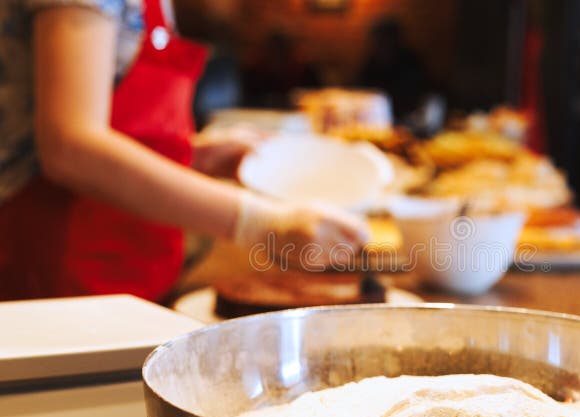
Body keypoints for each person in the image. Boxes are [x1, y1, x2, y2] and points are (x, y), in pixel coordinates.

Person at [0, 0, 368, 302]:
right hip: (59, 267)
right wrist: (260, 222)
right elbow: (69, 148)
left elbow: (72, 124)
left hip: (121, 267)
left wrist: (188, 155)